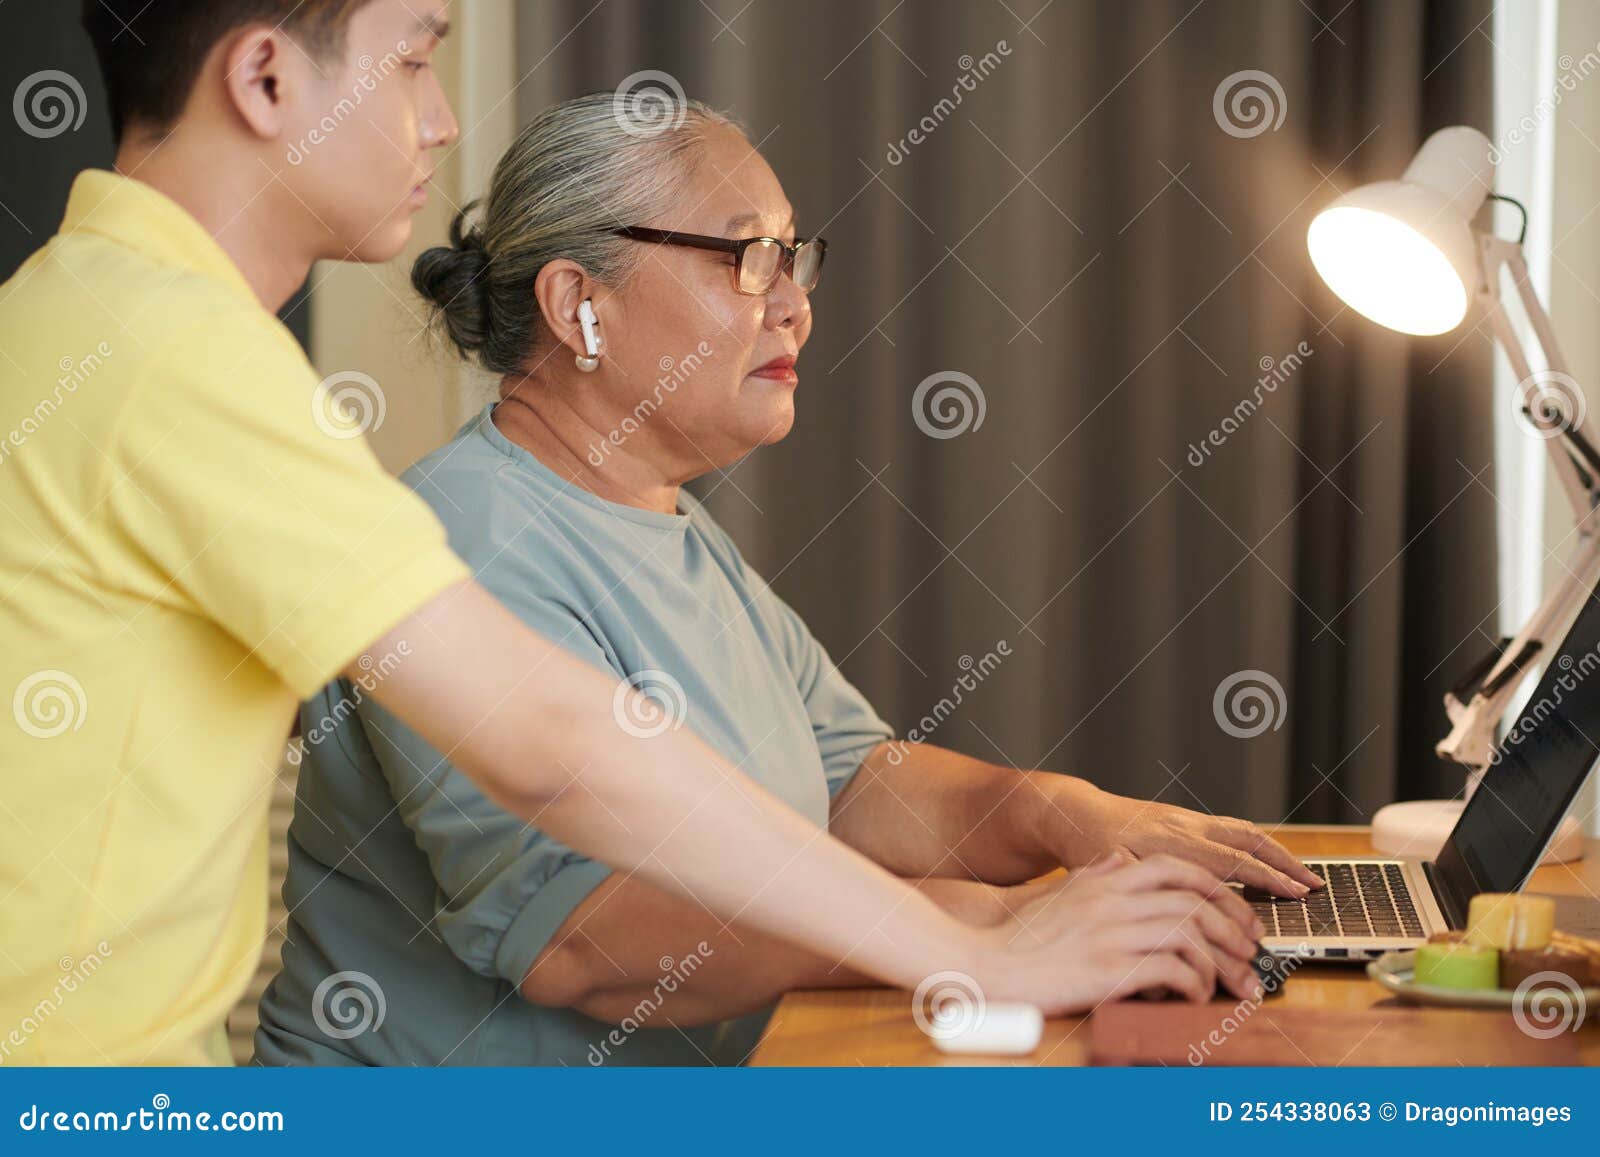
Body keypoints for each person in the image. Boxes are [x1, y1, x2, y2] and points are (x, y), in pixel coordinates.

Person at [0, 0, 1271, 1066]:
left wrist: (1050, 827)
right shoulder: (181, 353)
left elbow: (841, 777)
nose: (440, 119)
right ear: (268, 77)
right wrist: (973, 940)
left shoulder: (94, 312)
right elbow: (556, 755)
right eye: (411, 57)